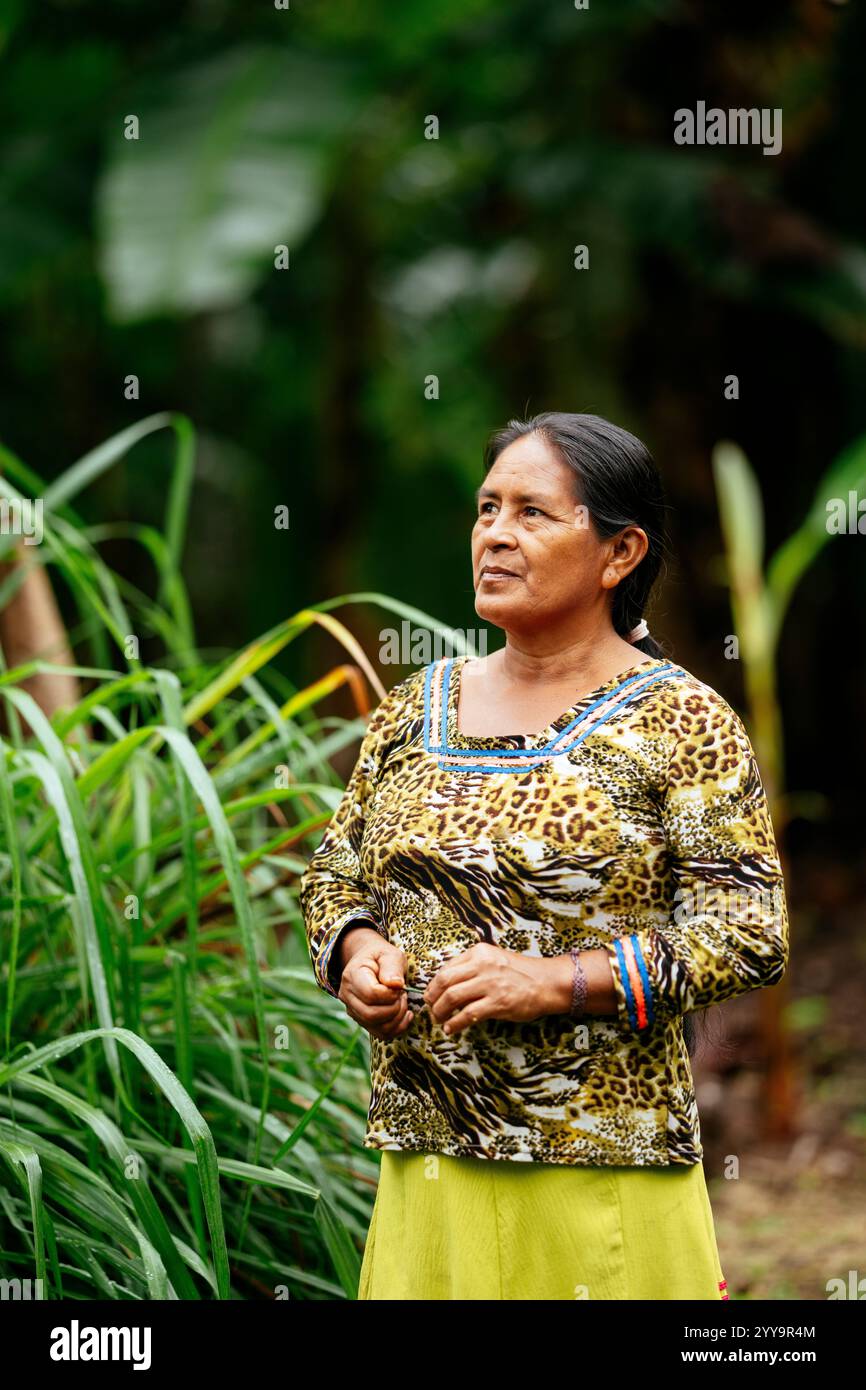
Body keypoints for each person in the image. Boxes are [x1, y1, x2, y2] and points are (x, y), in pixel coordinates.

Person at [299, 410, 789, 1300]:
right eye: (487, 509)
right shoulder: (416, 707)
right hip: (426, 1164)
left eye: (533, 512)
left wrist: (556, 981)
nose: (495, 534)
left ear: (619, 553)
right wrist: (357, 951)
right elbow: (335, 876)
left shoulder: (681, 721)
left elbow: (749, 932)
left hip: (601, 1169)